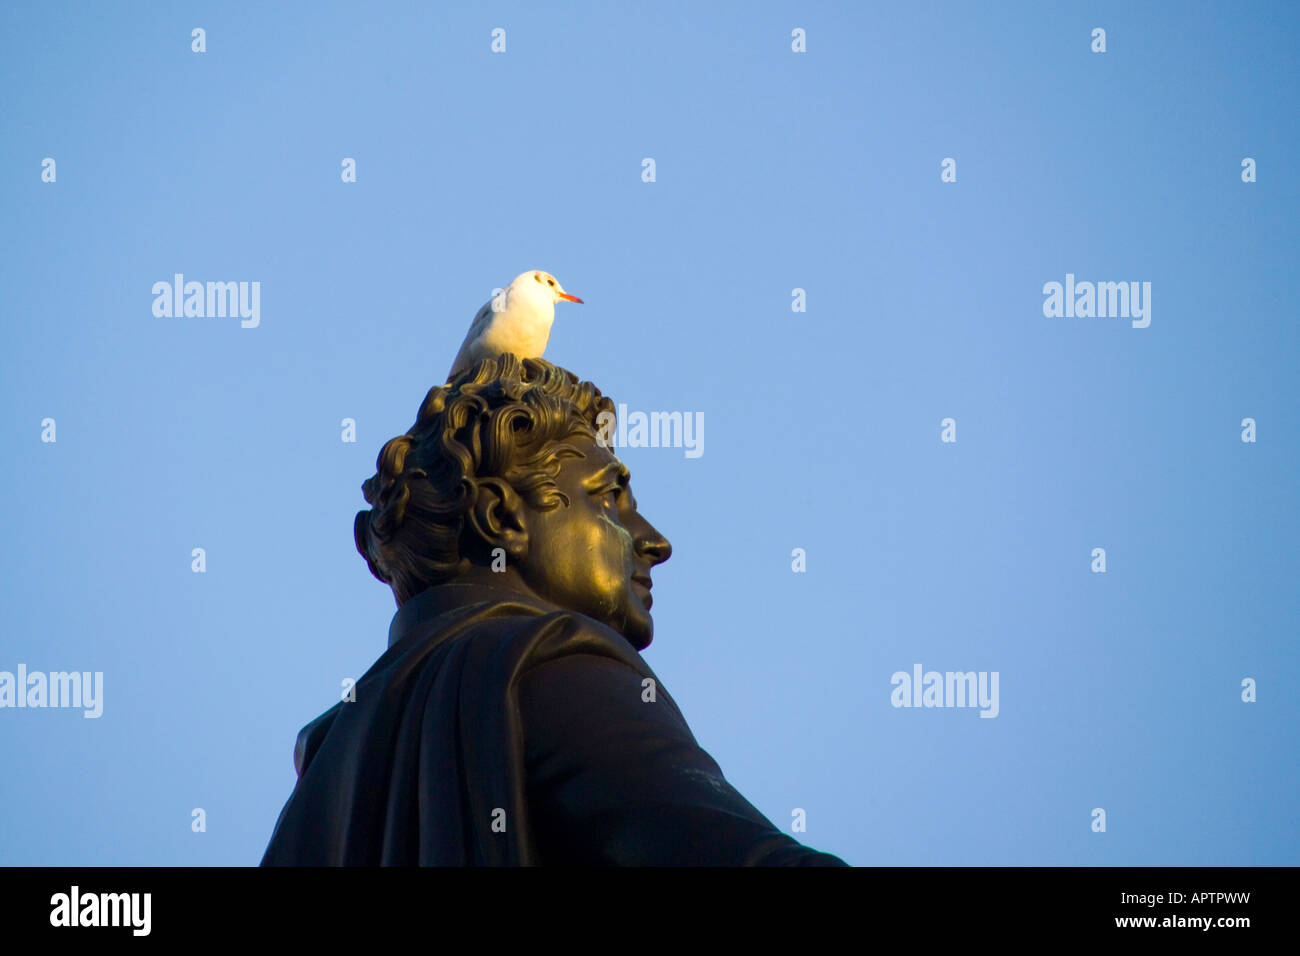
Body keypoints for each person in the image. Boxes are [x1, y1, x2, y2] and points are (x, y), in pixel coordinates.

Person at [261, 355, 847, 866]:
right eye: (608, 500)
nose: (655, 540)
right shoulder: (548, 664)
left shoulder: (329, 755)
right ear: (502, 518)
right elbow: (730, 854)